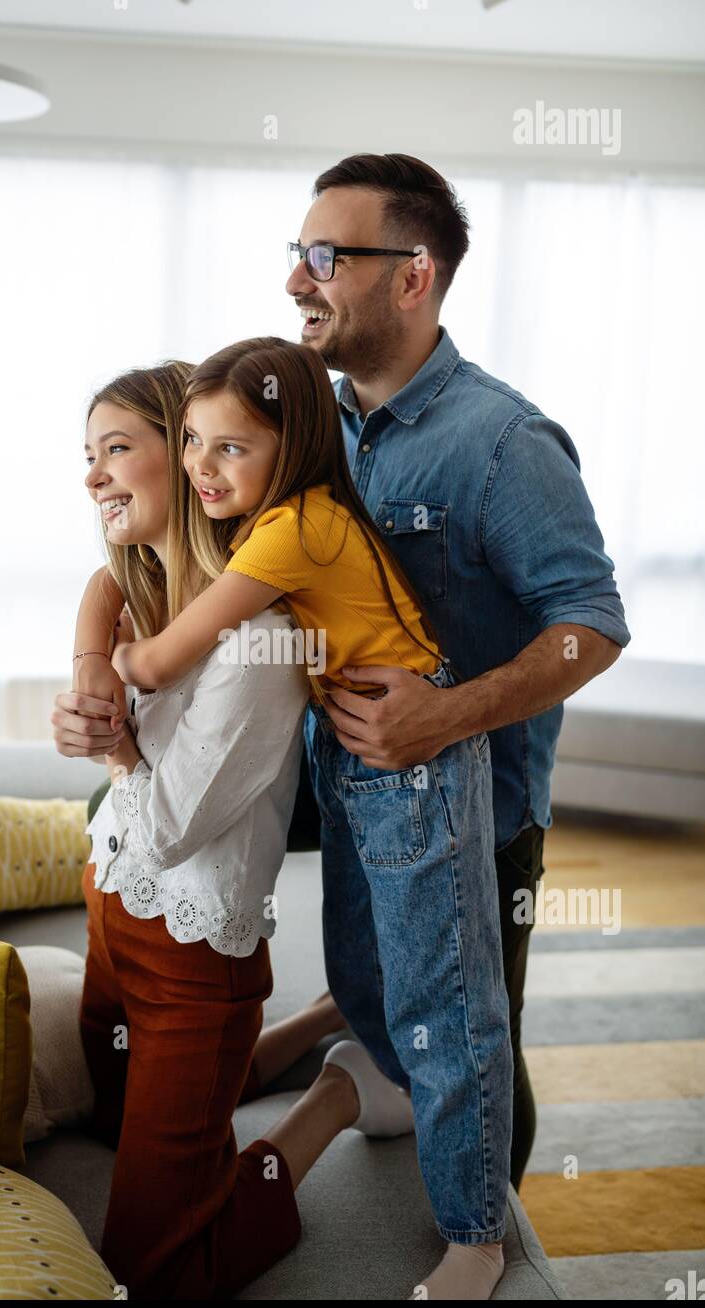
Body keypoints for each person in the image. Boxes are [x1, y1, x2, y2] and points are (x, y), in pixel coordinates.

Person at [76, 337, 515, 1300]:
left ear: (287, 447)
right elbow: (114, 577)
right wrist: (89, 655)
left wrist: (109, 704)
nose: (202, 464)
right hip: (142, 895)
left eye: (223, 447)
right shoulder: (162, 577)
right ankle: (327, 1027)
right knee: (354, 972)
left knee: (441, 1008)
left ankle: (397, 1155)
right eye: (194, 441)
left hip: (260, 887)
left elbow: (164, 798)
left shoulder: (265, 604)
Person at [284, 152, 632, 1198]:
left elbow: (592, 625)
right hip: (350, 795)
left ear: (411, 275)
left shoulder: (501, 442)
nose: (297, 280)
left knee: (476, 1053)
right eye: (294, 254)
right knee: (383, 1001)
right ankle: (361, 1067)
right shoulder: (311, 423)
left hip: (479, 824)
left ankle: (493, 1249)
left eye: (323, 256)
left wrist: (445, 718)